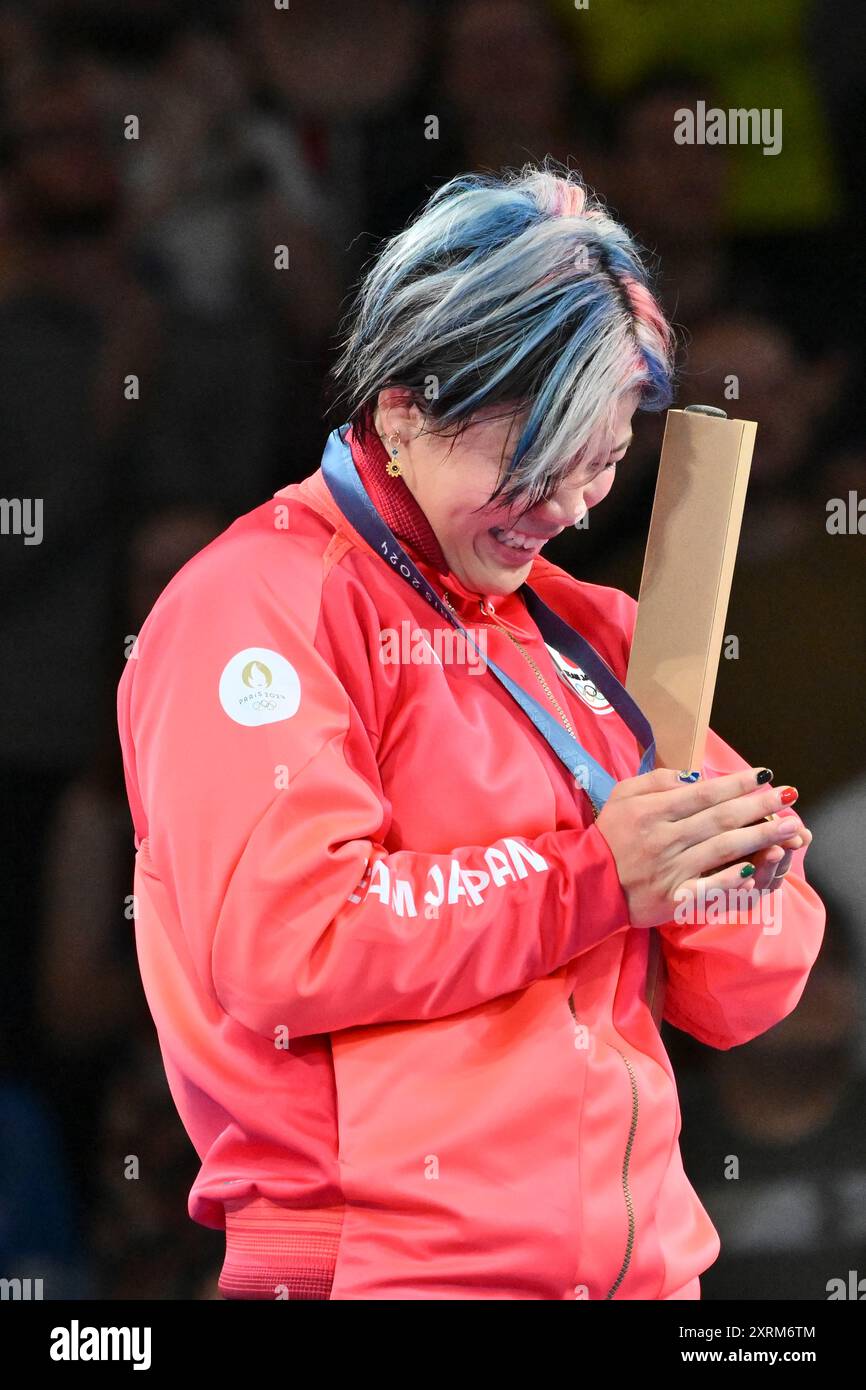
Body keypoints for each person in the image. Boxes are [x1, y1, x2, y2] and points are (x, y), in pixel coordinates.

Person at [116, 164, 825, 1300]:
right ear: (402, 409)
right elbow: (286, 947)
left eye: (600, 461)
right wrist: (597, 875)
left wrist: (726, 879)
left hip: (648, 1279)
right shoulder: (254, 604)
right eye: (535, 463)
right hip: (380, 1276)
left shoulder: (595, 631)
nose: (570, 508)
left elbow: (749, 993)